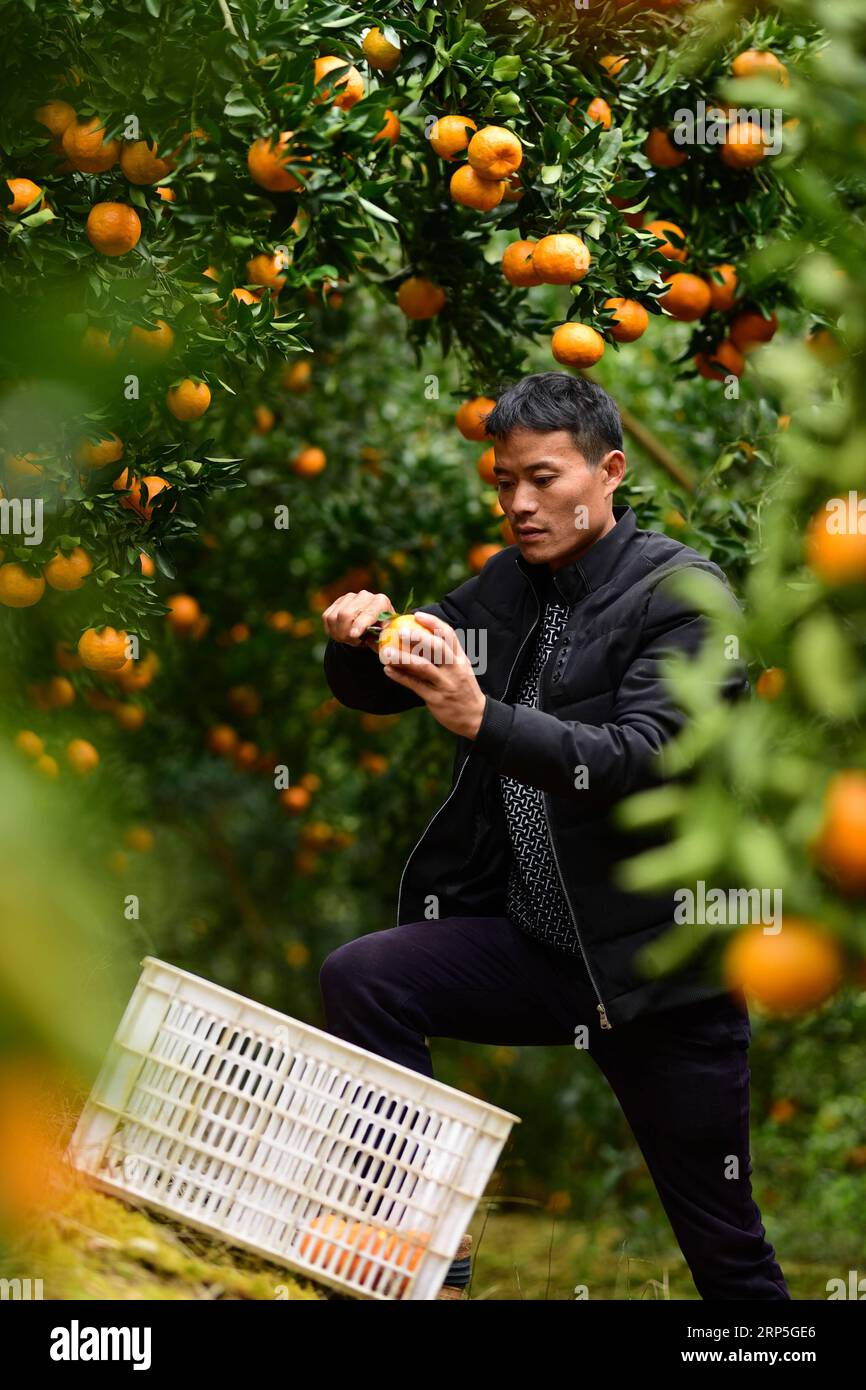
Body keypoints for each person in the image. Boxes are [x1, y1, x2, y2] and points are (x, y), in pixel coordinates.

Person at [318, 371, 790, 1301]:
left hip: (659, 975)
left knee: (726, 1254)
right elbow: (409, 661)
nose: (520, 504)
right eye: (503, 482)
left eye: (543, 478)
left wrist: (479, 717)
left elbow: (645, 760)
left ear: (609, 472)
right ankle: (430, 1267)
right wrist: (363, 637)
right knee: (366, 978)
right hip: (540, 951)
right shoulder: (510, 584)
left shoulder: (684, 597)